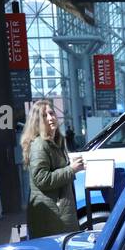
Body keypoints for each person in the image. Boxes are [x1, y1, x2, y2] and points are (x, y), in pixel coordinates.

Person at [21, 98, 82, 238]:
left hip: (58, 213)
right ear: (37, 121)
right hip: (51, 216)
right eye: (44, 115)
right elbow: (41, 179)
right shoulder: (39, 145)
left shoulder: (54, 142)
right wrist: (71, 169)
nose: (50, 118)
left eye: (52, 113)